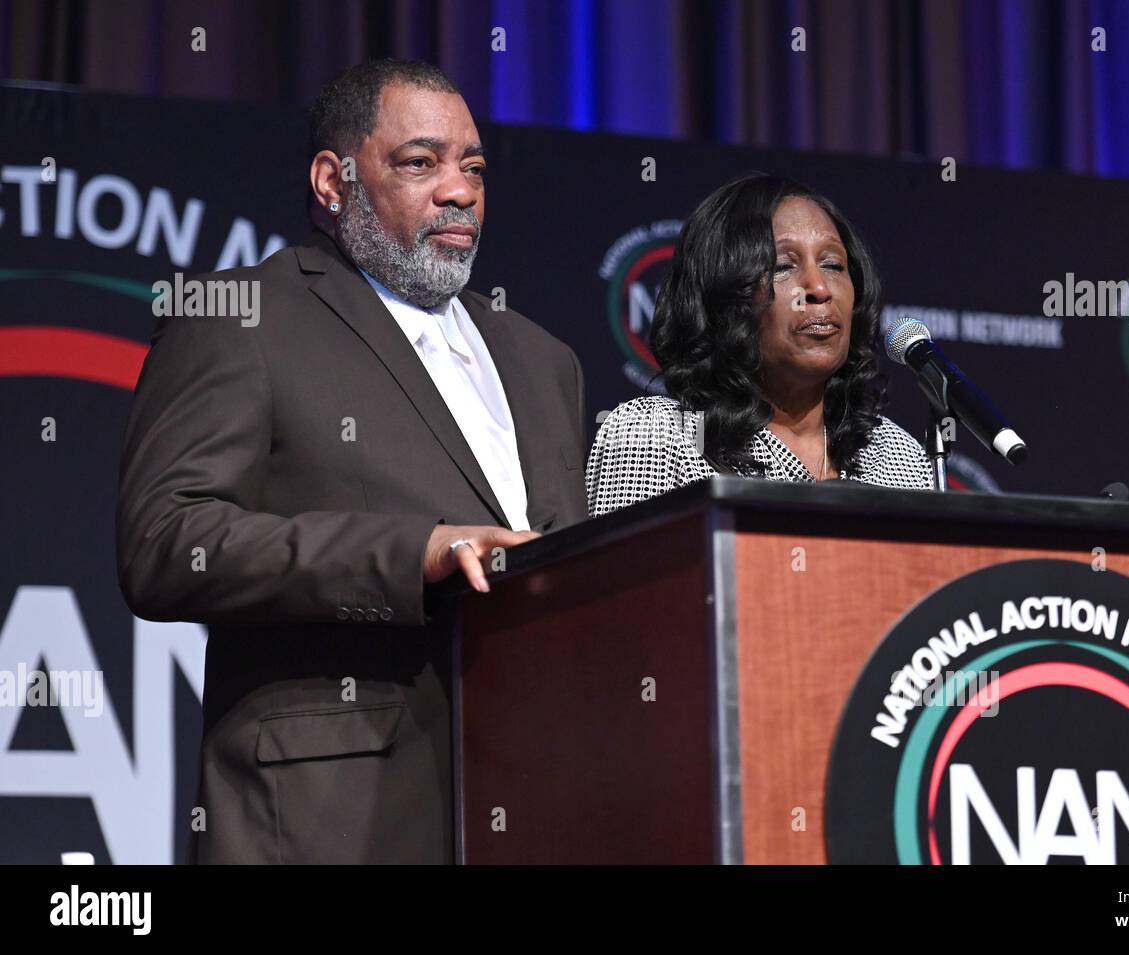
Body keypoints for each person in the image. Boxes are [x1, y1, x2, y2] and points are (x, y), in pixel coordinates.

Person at [115, 59, 587, 864]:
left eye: (473, 167)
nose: (459, 190)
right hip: (330, 819)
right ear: (334, 182)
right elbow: (165, 541)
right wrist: (417, 552)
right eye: (420, 162)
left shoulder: (546, 361)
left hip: (533, 803)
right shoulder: (240, 316)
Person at [586, 174, 933, 517]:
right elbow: (624, 573)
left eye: (832, 265)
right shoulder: (656, 435)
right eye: (783, 266)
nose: (819, 288)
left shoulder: (894, 452)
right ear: (724, 296)